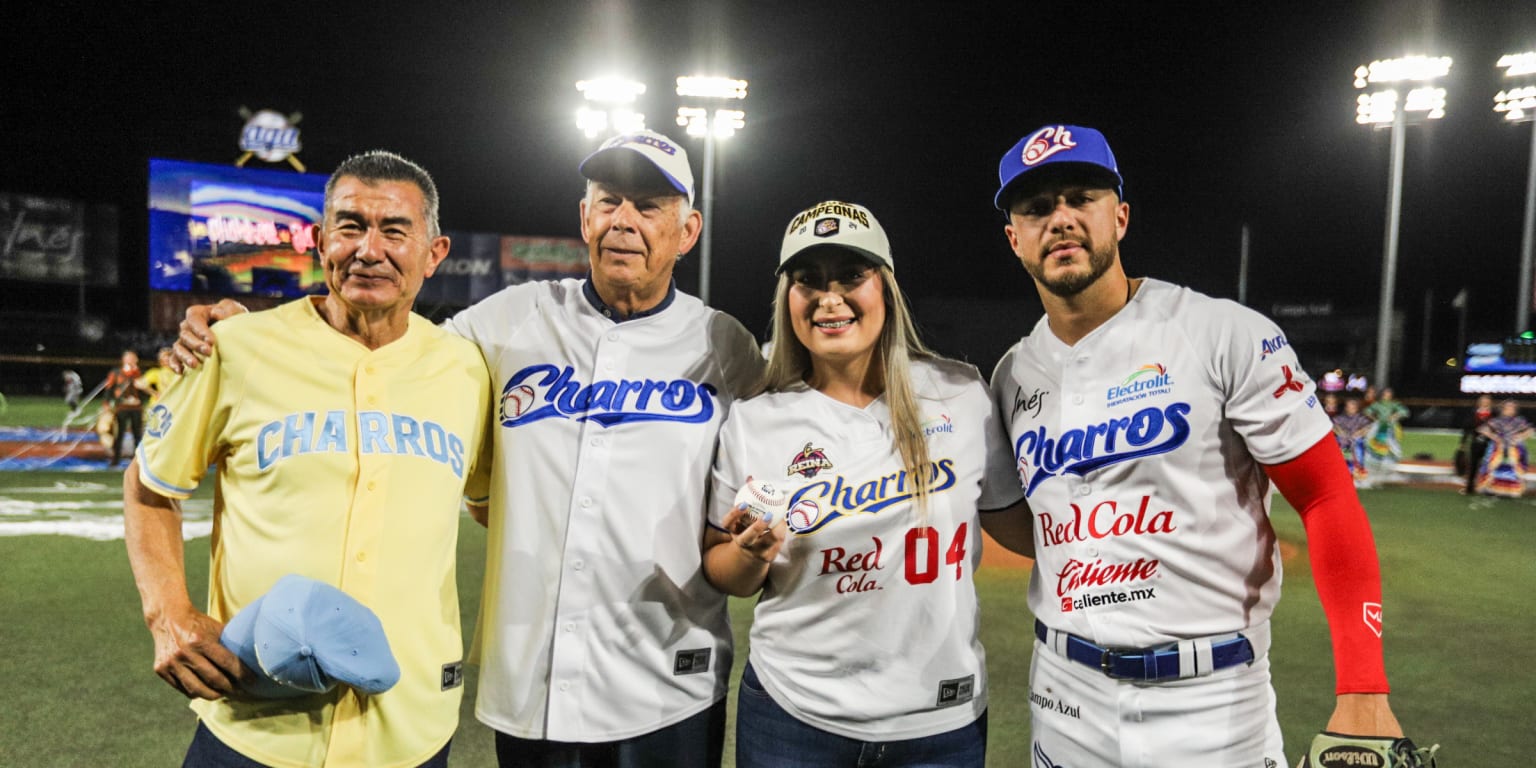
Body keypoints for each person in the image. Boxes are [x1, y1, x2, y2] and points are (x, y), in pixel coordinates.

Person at [173, 130, 766, 768]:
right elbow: (388, 339)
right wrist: (256, 331)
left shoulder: (725, 346)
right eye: (608, 202)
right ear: (584, 217)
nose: (623, 220)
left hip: (669, 684)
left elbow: (787, 423)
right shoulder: (507, 321)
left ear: (688, 230)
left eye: (648, 207)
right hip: (533, 686)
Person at [981, 124, 1417, 766]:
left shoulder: (1221, 333)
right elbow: (1029, 523)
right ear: (1014, 238)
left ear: (1120, 217)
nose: (1061, 219)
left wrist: (1363, 688)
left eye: (1082, 198)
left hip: (1214, 698)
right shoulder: (1013, 375)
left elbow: (1325, 496)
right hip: (1064, 695)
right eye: (1038, 208)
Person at [124, 150, 492, 768]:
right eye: (351, 226)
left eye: (394, 231)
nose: (369, 250)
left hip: (411, 727)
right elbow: (150, 483)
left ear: (434, 254)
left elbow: (488, 504)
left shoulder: (468, 370)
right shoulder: (236, 347)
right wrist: (168, 615)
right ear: (320, 242)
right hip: (257, 723)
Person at [703, 201, 1024, 767]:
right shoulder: (757, 418)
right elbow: (723, 569)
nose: (830, 297)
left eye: (852, 275)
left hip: (939, 720)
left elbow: (1022, 524)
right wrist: (749, 554)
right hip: (794, 715)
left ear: (886, 289)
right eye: (808, 280)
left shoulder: (959, 394)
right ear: (788, 298)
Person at [1474, 399, 1533, 498]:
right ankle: (1493, 489)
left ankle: (1510, 490)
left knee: (1512, 468)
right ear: (1503, 409)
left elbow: (1530, 430)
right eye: (1508, 408)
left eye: (1512, 408)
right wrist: (1495, 437)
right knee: (1495, 467)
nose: (1510, 410)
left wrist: (1519, 437)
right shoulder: (1497, 420)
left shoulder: (1519, 421)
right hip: (1499, 449)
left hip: (1513, 449)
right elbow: (1483, 429)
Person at [102, 349, 151, 467]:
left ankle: (138, 460)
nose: (131, 360)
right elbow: (109, 389)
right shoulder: (116, 373)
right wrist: (107, 403)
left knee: (137, 434)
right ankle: (116, 459)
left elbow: (146, 390)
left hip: (136, 408)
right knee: (119, 433)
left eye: (133, 358)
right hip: (121, 407)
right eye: (128, 358)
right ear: (123, 360)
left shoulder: (140, 373)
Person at [1363, 386, 1410, 473]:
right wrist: (1375, 418)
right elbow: (1367, 411)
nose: (1387, 395)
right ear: (1382, 395)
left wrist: (1395, 416)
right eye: (1385, 394)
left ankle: (1396, 456)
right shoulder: (1378, 404)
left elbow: (1405, 412)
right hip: (1379, 425)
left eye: (1389, 394)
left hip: (1389, 425)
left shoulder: (1394, 404)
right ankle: (1370, 457)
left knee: (1391, 441)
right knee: (1369, 439)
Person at [1456, 394, 1494, 493]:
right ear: (1479, 402)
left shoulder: (1494, 414)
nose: (1485, 403)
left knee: (1488, 465)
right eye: (1483, 401)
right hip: (1475, 443)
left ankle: (1487, 487)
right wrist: (1463, 443)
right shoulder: (1473, 414)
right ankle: (1470, 488)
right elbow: (1466, 429)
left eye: (1487, 401)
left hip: (1489, 444)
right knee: (1473, 465)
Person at [1332, 397, 1374, 485]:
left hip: (1356, 442)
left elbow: (1368, 427)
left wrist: (1359, 434)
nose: (1351, 409)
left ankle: (1358, 477)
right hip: (1343, 443)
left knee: (1359, 449)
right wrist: (1342, 435)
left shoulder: (1361, 418)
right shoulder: (1339, 418)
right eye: (1348, 406)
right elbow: (1334, 427)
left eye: (1353, 407)